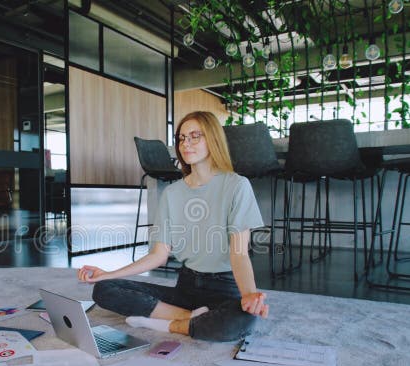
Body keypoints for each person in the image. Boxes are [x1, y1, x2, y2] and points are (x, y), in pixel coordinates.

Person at [77, 111, 268, 342]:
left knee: (244, 320)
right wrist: (108, 274)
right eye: (181, 137)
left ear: (213, 139)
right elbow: (158, 255)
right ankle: (192, 319)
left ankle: (170, 324)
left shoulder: (237, 186)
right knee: (103, 289)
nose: (185, 143)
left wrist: (249, 295)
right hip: (186, 287)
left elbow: (239, 254)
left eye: (195, 136)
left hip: (224, 287)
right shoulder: (172, 193)